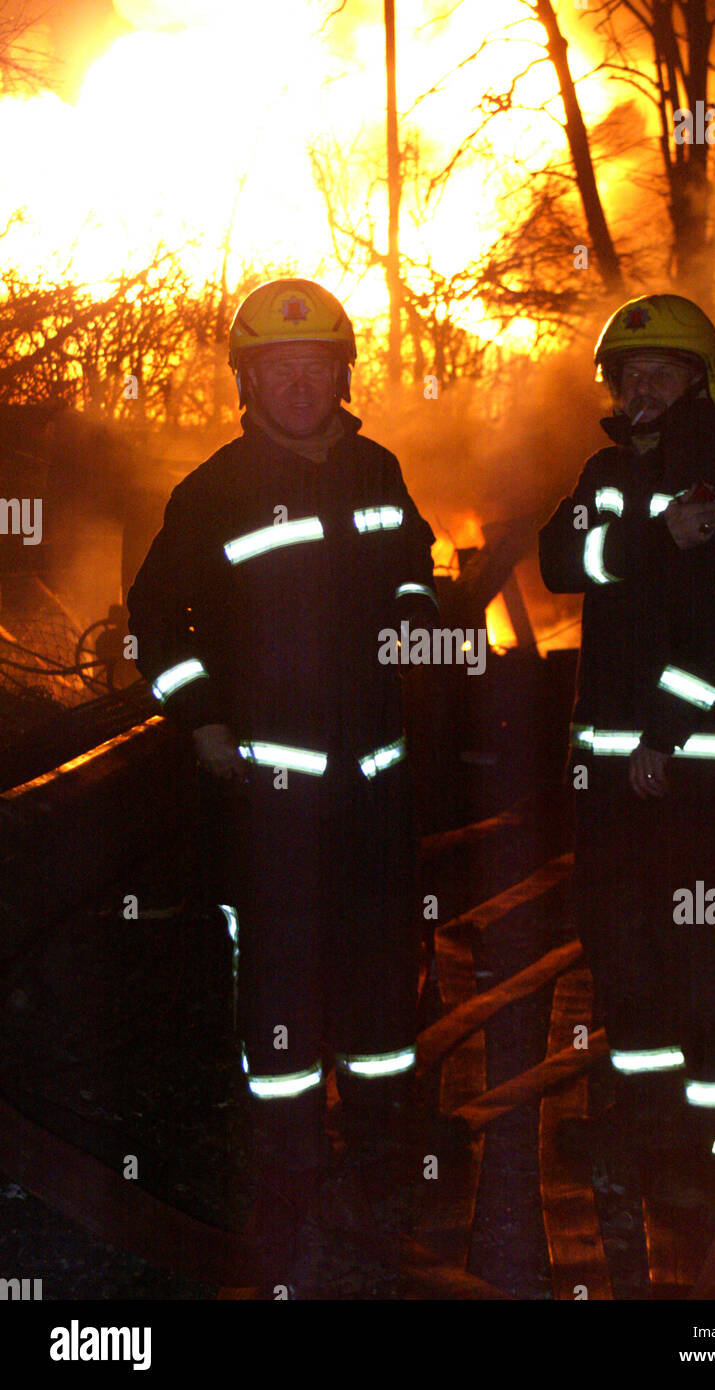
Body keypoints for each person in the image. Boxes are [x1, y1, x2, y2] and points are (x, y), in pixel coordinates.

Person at [126, 277, 439, 1284]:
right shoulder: (211, 491)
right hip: (271, 806)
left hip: (378, 798)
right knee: (282, 994)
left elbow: (414, 567)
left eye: (316, 368)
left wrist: (409, 612)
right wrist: (204, 714)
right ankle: (291, 1172)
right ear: (249, 380)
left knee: (387, 988)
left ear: (341, 373)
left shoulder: (377, 468)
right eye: (279, 370)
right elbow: (151, 628)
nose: (301, 386)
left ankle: (386, 1159)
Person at [538, 293, 715, 1202]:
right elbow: (559, 560)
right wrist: (645, 537)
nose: (643, 387)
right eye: (630, 374)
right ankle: (644, 1135)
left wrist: (665, 739)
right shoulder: (604, 469)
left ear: (701, 383)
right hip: (609, 767)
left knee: (700, 941)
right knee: (622, 944)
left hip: (688, 767)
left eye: (664, 373)